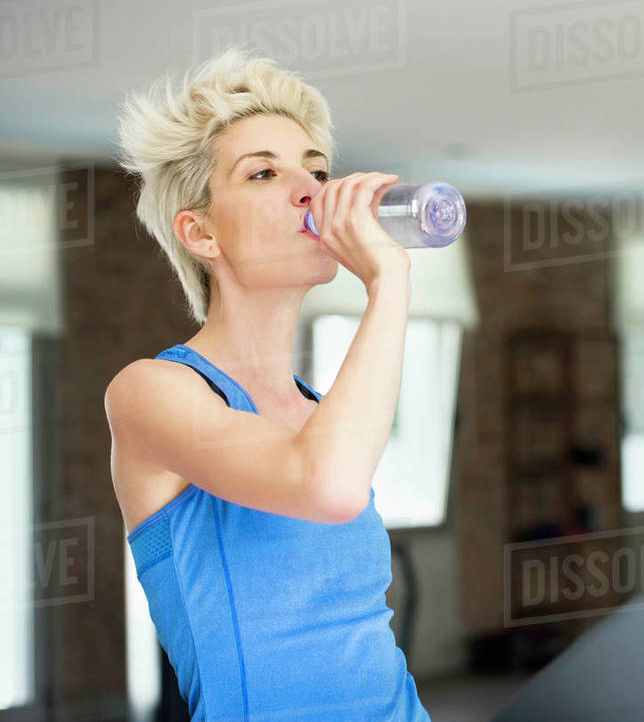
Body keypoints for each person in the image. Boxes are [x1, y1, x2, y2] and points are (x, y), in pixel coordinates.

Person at [104, 47, 430, 721]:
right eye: (263, 172)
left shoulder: (323, 412)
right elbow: (329, 486)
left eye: (316, 169)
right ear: (202, 233)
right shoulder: (150, 393)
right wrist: (389, 279)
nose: (310, 191)